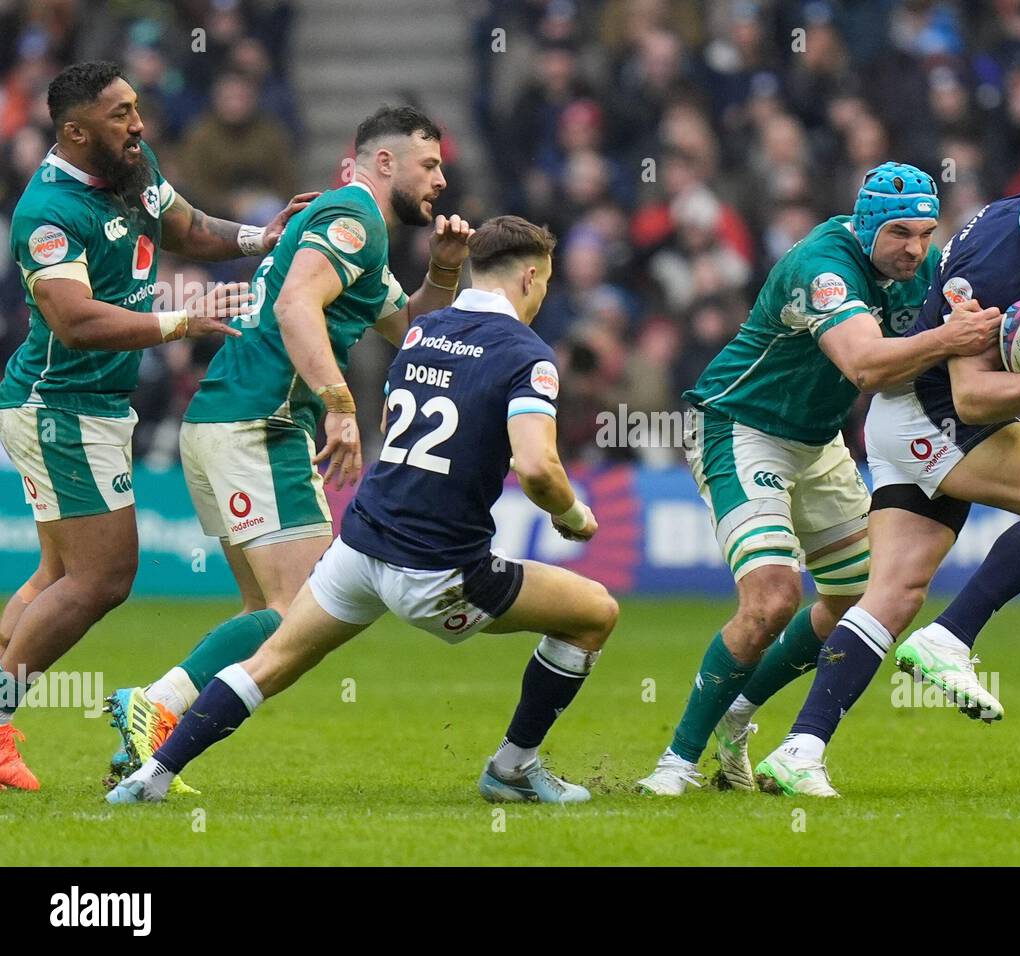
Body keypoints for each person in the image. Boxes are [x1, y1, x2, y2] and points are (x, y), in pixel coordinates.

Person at [106, 215, 619, 805]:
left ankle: (152, 777)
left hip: (359, 547)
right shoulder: (528, 354)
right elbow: (537, 469)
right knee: (594, 613)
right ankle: (512, 767)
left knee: (270, 662)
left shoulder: (424, 333)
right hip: (437, 569)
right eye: (547, 283)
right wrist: (574, 515)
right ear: (531, 277)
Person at [754, 120, 1020, 797]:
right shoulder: (996, 258)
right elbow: (976, 396)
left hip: (912, 417)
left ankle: (799, 750)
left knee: (890, 596)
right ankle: (951, 637)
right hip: (936, 417)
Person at [103, 104, 474, 794]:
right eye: (430, 164)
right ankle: (154, 706)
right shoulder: (353, 220)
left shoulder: (355, 232)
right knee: (305, 606)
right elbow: (295, 306)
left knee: (268, 613)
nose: (442, 180)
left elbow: (415, 326)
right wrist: (339, 405)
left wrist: (445, 270)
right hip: (260, 425)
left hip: (220, 421)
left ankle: (150, 726)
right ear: (383, 162)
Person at [637, 162, 1000, 796]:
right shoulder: (823, 271)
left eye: (924, 233)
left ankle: (738, 712)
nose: (915, 248)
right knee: (773, 599)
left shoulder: (922, 269)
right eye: (899, 234)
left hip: (818, 441)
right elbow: (864, 365)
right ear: (865, 227)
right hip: (741, 426)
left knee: (857, 603)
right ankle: (676, 765)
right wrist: (948, 337)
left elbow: (955, 340)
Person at [0, 61, 314, 791]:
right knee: (101, 578)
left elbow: (185, 226)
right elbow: (73, 322)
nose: (137, 123)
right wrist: (179, 321)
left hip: (90, 406)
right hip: (60, 406)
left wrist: (258, 239)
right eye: (119, 114)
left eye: (135, 107)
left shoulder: (132, 165)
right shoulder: (49, 211)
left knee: (55, 575)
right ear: (76, 130)